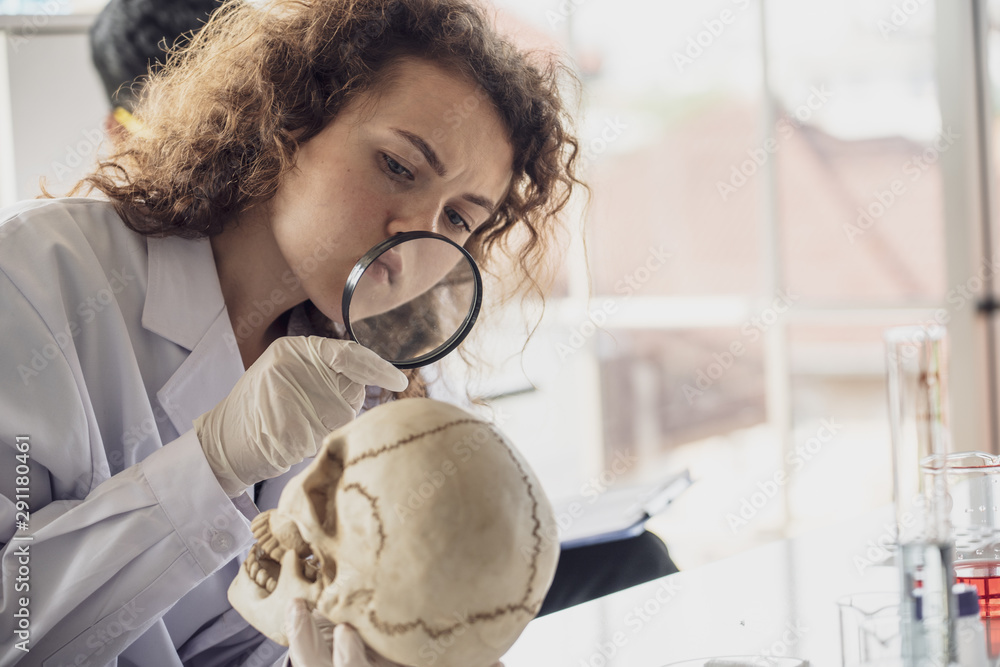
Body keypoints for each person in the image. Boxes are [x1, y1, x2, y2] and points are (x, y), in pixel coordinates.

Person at [0, 0, 583, 664]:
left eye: (456, 219)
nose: (413, 233)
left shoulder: (380, 380)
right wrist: (211, 461)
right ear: (287, 123)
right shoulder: (37, 276)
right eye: (397, 166)